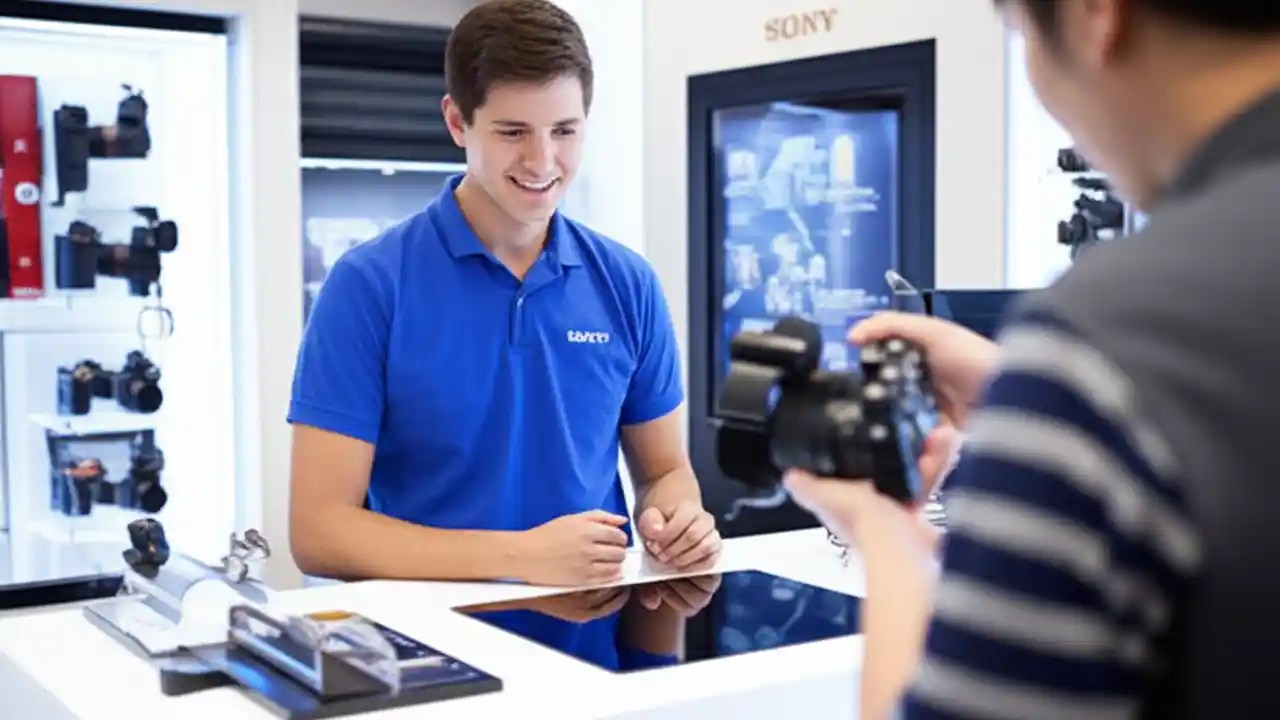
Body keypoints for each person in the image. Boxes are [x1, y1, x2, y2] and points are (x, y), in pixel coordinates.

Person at [783, 1, 1280, 718]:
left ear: (1093, 16)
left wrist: (886, 533)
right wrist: (1021, 393)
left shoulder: (1104, 341)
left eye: (1020, 39)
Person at [286, 0, 720, 588]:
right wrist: (519, 558)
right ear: (457, 122)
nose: (544, 162)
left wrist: (678, 518)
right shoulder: (368, 286)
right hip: (431, 656)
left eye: (564, 131)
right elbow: (319, 531)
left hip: (597, 653)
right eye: (513, 132)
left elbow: (666, 471)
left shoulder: (628, 282)